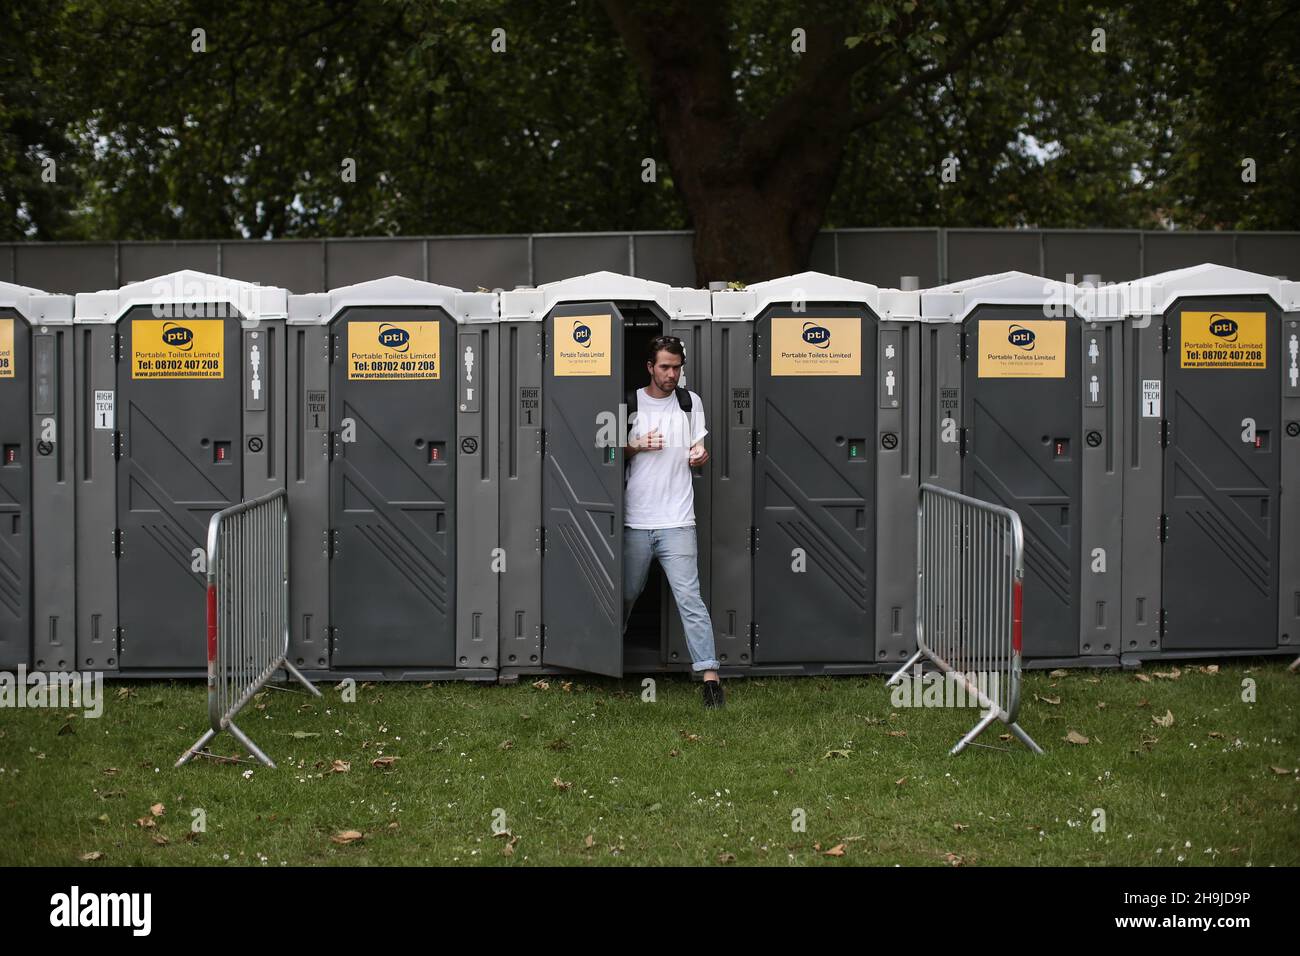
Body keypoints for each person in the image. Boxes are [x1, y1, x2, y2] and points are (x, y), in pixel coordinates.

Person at [622, 335, 725, 709]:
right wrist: (635, 445)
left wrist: (700, 455)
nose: (671, 374)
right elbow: (607, 453)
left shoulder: (689, 402)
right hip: (635, 519)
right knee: (626, 594)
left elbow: (699, 448)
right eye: (664, 367)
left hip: (679, 520)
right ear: (650, 367)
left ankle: (710, 679)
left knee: (690, 599)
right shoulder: (629, 402)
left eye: (676, 368)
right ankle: (604, 661)